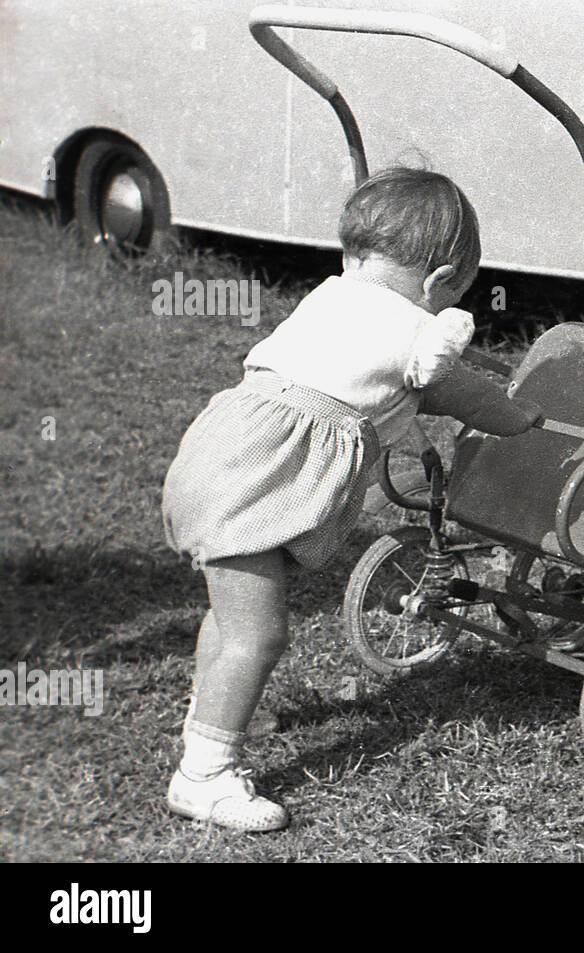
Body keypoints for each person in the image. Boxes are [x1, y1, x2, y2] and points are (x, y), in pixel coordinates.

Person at [160, 168, 538, 831]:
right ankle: (204, 775)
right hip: (255, 479)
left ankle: (214, 717)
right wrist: (523, 417)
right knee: (260, 633)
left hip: (221, 452)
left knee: (229, 621)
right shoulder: (417, 335)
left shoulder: (332, 296)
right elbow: (457, 392)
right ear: (441, 280)